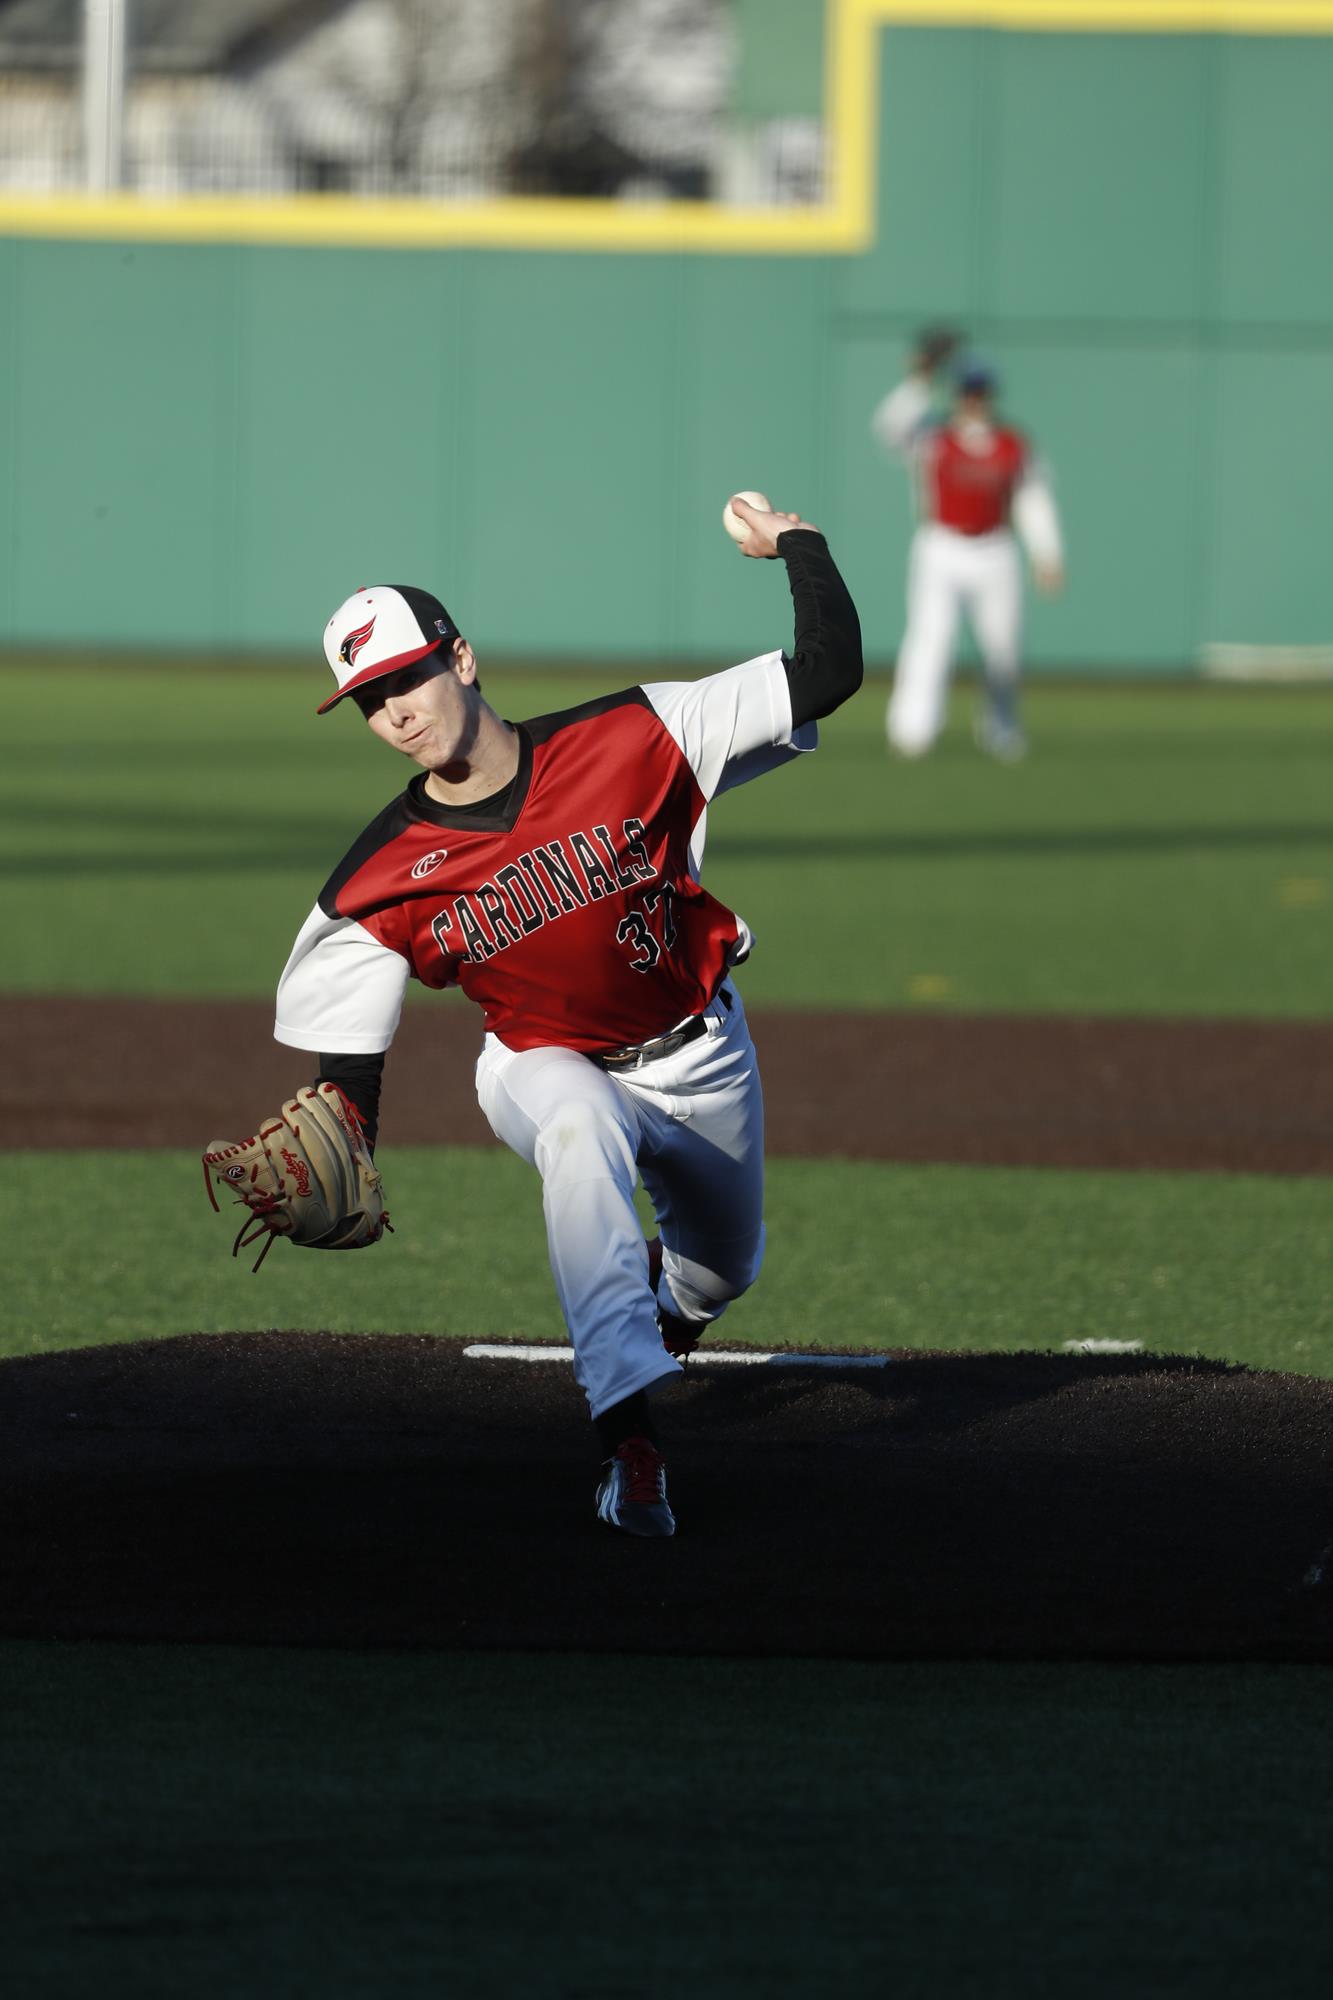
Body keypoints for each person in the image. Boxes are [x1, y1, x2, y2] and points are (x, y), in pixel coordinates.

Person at [271, 498, 863, 1538]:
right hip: (536, 1063)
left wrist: (797, 544)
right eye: (369, 701)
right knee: (579, 1127)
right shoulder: (381, 873)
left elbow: (827, 672)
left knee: (723, 1268)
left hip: (700, 1051)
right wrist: (348, 1137)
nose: (396, 712)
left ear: (460, 657)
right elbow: (347, 1037)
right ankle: (628, 1447)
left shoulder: (636, 734)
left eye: (405, 678)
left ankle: (658, 1318)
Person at [871, 334, 1064, 761]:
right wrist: (920, 380)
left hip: (995, 549)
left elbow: (1034, 501)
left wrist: (1047, 554)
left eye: (980, 391)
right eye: (967, 391)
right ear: (956, 393)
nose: (974, 400)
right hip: (941, 547)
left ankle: (1002, 731)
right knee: (930, 641)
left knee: (1003, 648)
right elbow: (888, 427)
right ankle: (912, 733)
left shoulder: (1013, 443)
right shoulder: (933, 436)